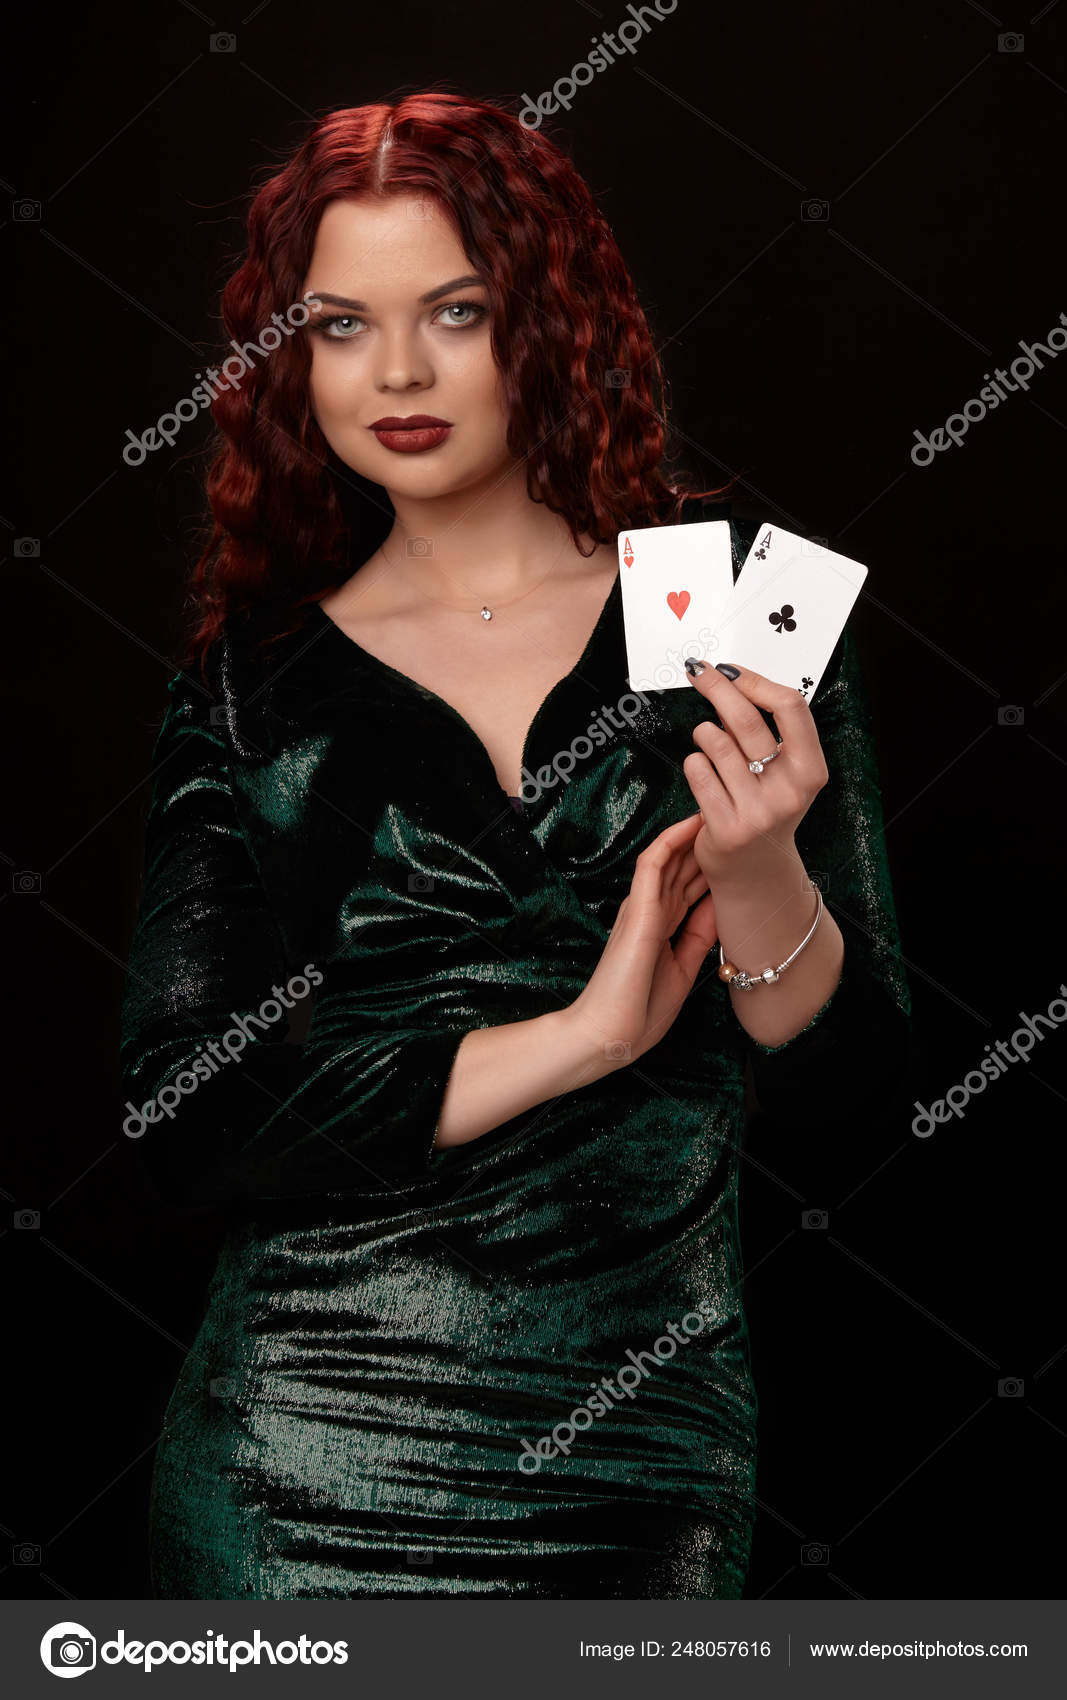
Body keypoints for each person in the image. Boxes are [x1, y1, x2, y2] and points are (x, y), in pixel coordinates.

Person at [119, 91, 913, 1601]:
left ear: (548, 317)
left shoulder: (735, 597)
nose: (397, 374)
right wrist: (583, 1036)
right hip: (293, 1462)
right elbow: (189, 1114)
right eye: (341, 325)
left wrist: (760, 873)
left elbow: (851, 1091)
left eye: (456, 311)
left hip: (639, 1462)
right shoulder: (251, 686)